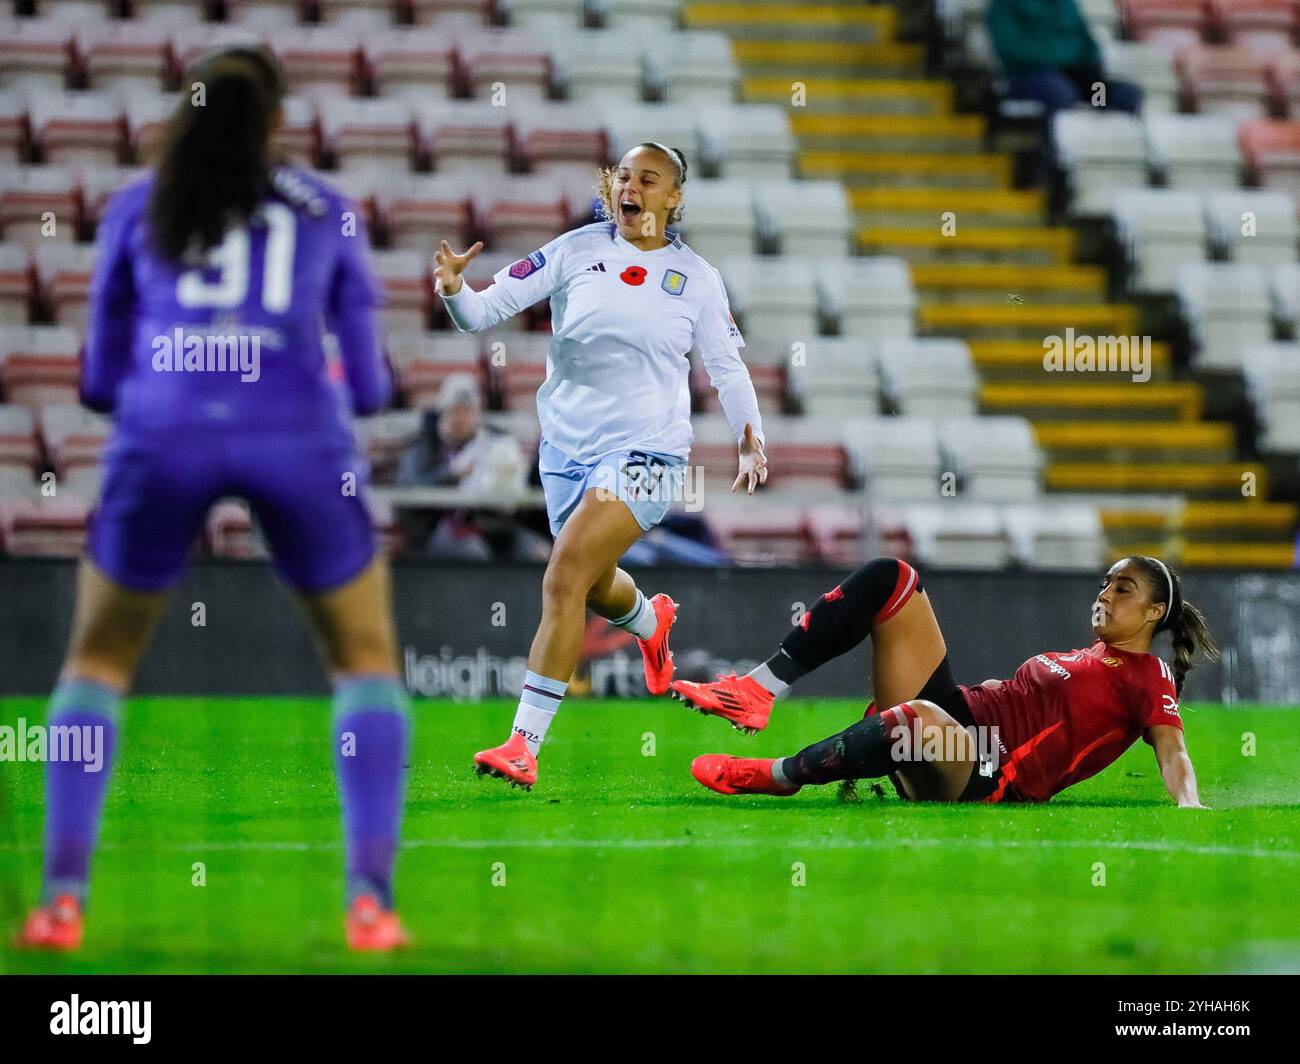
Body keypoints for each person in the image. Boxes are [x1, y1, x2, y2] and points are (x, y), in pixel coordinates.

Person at [17, 46, 411, 952]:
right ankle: (371, 905)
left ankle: (62, 902)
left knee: (98, 662)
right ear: (277, 122)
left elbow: (96, 380)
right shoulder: (326, 211)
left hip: (164, 433)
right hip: (298, 438)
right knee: (363, 661)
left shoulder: (137, 206)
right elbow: (372, 393)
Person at [435, 142, 768, 789]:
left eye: (648, 178)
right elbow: (481, 312)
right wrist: (453, 291)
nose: (630, 186)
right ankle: (650, 621)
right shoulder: (572, 252)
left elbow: (726, 367)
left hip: (650, 454)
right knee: (589, 580)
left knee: (562, 576)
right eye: (623, 175)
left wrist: (749, 438)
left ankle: (523, 745)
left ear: (673, 198)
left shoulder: (695, 277)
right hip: (563, 450)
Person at [673, 555, 1217, 806]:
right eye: (1105, 583)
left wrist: (1189, 804)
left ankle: (778, 774)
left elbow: (1172, 750)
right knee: (895, 579)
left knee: (920, 721)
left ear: (1155, 612)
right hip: (959, 716)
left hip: (987, 769)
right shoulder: (1090, 654)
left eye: (1123, 589)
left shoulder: (1150, 675)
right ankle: (760, 688)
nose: (1105, 594)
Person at [394, 373, 543, 561]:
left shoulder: (496, 441)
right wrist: (453, 474)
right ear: (442, 413)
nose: (461, 418)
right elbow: (412, 489)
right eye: (455, 411)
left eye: (468, 411)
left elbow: (520, 493)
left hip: (494, 526)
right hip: (439, 528)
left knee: (537, 552)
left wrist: (511, 472)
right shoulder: (424, 445)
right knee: (475, 554)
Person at [987, 0, 1143, 179]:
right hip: (1029, 76)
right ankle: (1053, 163)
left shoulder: (1065, 3)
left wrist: (1090, 65)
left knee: (1122, 94)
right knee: (1060, 93)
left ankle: (1112, 160)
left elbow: (1088, 44)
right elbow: (1010, 49)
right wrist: (1060, 58)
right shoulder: (1004, 4)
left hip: (1076, 75)